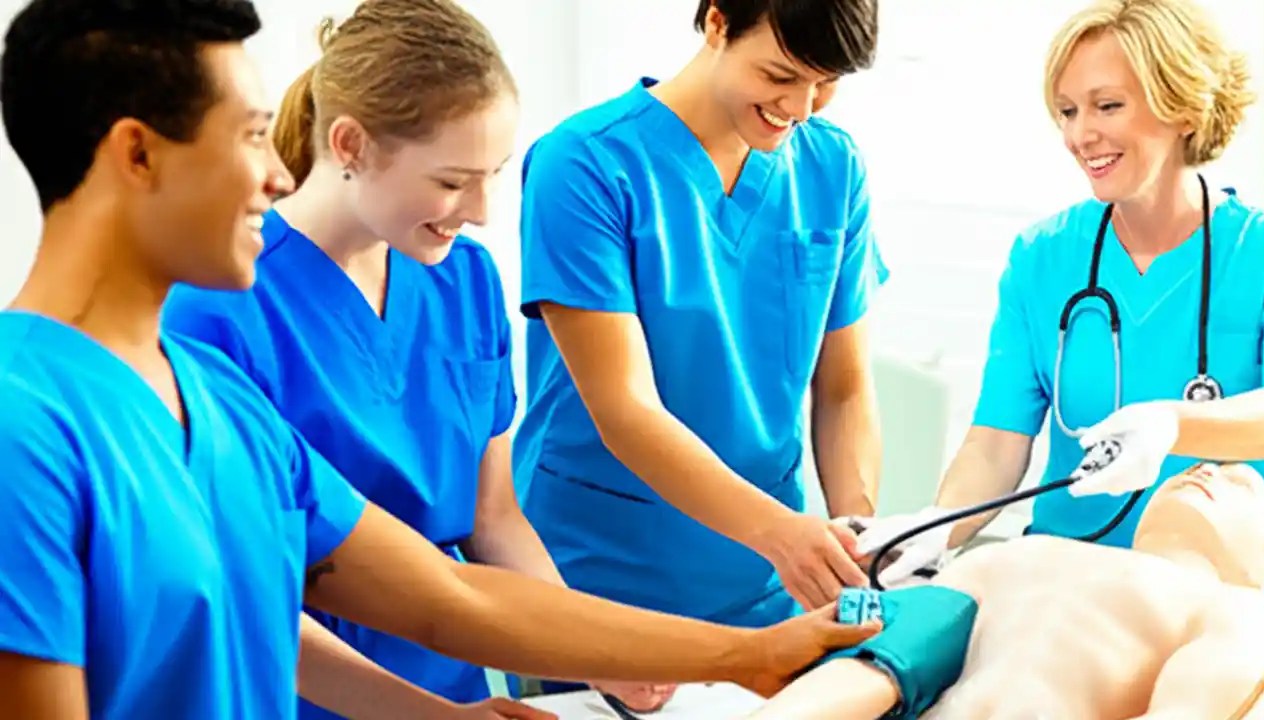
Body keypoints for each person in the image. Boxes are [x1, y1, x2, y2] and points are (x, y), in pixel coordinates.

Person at [0, 1, 888, 718]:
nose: (277, 173)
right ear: (136, 154)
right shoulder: (26, 427)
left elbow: (445, 597)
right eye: (249, 137)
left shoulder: (214, 401)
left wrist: (751, 655)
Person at [157, 0, 661, 713]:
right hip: (298, 691)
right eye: (453, 181)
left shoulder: (467, 279)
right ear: (352, 144)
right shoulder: (217, 306)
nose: (482, 208)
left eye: (494, 174)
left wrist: (591, 655)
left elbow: (494, 522)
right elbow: (241, 589)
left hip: (449, 678)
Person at [853, 0, 1264, 602]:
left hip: (1223, 601)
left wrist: (1172, 424)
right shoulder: (1044, 258)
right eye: (1067, 111)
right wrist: (940, 526)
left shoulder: (1263, 256)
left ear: (1182, 104)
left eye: (1108, 106)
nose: (1081, 135)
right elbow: (998, 441)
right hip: (1066, 590)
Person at [515, 0, 886, 652]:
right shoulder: (583, 167)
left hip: (768, 588)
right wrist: (780, 533)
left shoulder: (833, 167)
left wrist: (857, 530)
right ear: (717, 21)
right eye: (780, 74)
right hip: (601, 589)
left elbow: (844, 386)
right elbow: (624, 409)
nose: (801, 106)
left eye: (825, 81)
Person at [753, 461, 1264, 719]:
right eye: (1195, 468)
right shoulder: (1017, 555)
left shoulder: (1243, 610)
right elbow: (882, 666)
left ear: (1261, 563)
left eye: (1242, 484)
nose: (1208, 470)